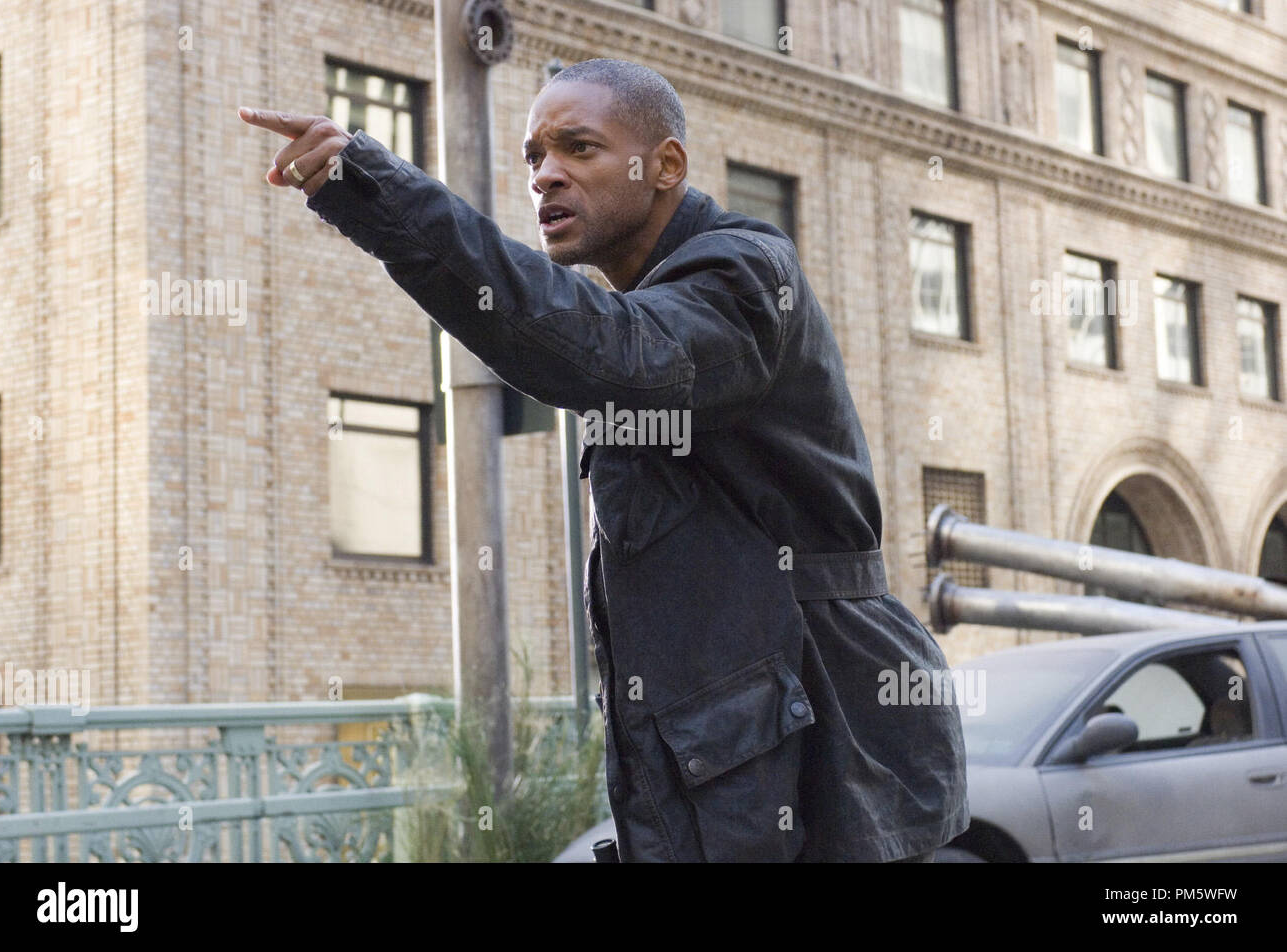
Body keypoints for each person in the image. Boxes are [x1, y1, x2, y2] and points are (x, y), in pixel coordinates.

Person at [239, 57, 968, 862]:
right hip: (733, 769)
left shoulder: (745, 276)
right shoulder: (656, 297)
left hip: (825, 766)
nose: (546, 176)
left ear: (665, 167)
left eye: (578, 149)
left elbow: (604, 355)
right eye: (533, 157)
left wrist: (373, 184)